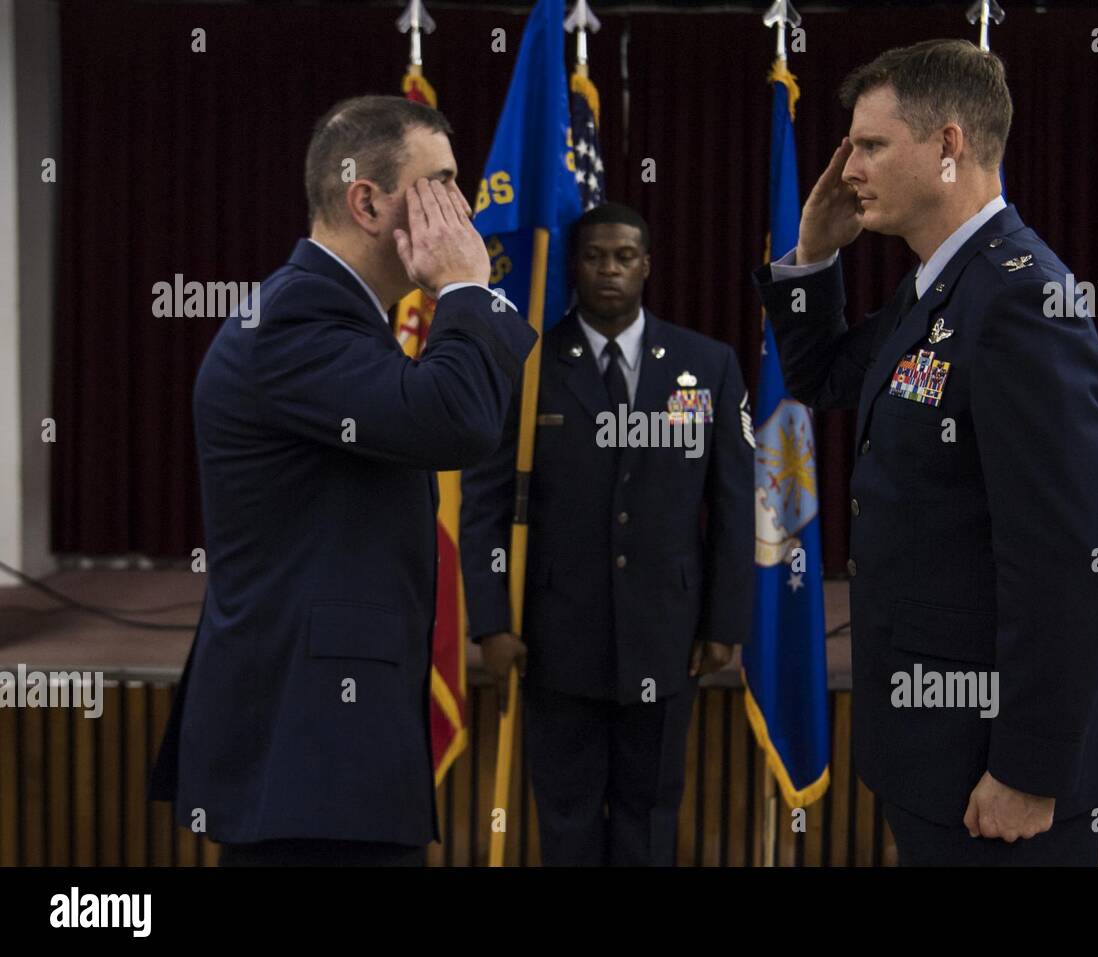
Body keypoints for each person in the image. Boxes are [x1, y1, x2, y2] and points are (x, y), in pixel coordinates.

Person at [755, 39, 1098, 865]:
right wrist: (814, 254)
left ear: (949, 145)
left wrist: (1029, 769)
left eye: (872, 145)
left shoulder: (1022, 301)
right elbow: (820, 376)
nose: (848, 166)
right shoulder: (941, 284)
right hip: (931, 750)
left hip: (998, 769)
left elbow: (1065, 558)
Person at [148, 95, 537, 866]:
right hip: (309, 749)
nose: (462, 211)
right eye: (442, 185)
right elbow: (455, 420)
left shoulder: (341, 318)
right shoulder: (298, 321)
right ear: (367, 200)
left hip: (330, 748)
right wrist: (462, 286)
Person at [459, 203, 755, 866]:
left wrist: (723, 622)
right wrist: (490, 619)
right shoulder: (528, 368)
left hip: (667, 637)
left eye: (625, 256)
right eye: (595, 256)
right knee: (565, 818)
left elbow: (735, 506)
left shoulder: (705, 366)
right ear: (575, 265)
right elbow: (484, 502)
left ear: (647, 264)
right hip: (555, 639)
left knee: (649, 819)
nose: (610, 270)